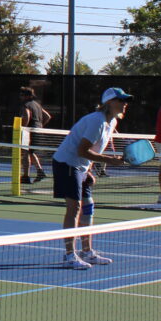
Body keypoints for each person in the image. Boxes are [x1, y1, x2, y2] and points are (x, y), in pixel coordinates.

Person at [52, 87, 132, 270]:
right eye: (121, 100)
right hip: (67, 163)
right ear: (109, 103)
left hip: (81, 166)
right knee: (75, 207)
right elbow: (82, 150)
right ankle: (69, 255)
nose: (124, 103)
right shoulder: (97, 121)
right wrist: (111, 161)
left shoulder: (111, 123)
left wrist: (88, 170)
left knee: (88, 207)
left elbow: (95, 149)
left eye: (125, 100)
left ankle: (87, 251)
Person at [18, 86, 51, 185]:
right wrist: (39, 126)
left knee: (26, 153)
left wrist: (23, 128)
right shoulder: (37, 105)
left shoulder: (26, 105)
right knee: (30, 152)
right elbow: (48, 116)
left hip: (29, 131)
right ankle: (39, 171)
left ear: (26, 96)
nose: (20, 97)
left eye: (22, 95)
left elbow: (27, 116)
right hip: (37, 131)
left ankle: (26, 176)